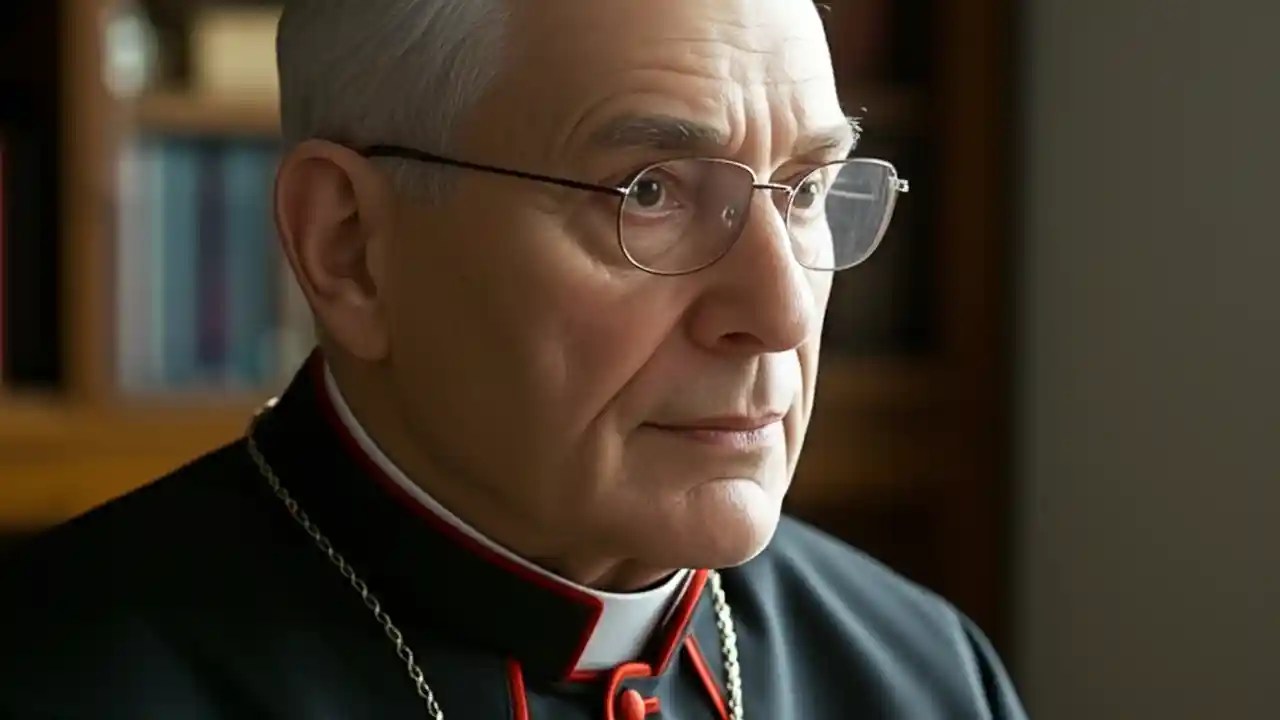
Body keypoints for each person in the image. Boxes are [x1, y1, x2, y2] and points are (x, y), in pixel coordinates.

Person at [0, 1, 1027, 718]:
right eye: (651, 193)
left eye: (802, 189)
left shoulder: (924, 676)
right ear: (348, 248)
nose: (775, 309)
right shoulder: (55, 681)